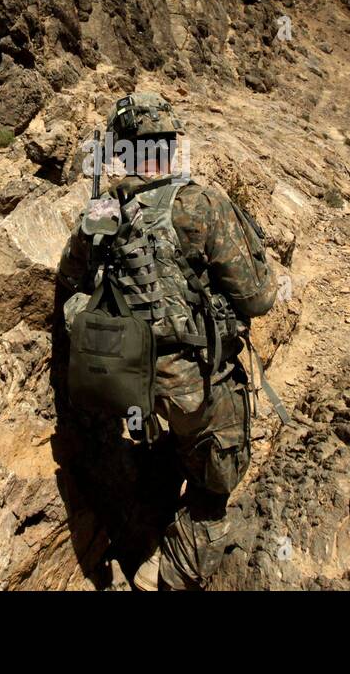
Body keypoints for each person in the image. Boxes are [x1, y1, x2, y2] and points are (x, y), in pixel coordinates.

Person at [58, 91, 278, 590]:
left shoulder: (101, 213)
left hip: (127, 386)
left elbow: (71, 276)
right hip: (196, 386)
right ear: (170, 144)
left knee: (157, 468)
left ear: (121, 150)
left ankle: (143, 541)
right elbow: (259, 298)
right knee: (212, 491)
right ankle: (164, 578)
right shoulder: (199, 204)